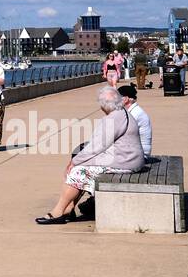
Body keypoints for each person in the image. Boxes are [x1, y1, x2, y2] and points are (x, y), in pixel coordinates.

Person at [35, 85, 144, 225]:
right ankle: (68, 209)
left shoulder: (113, 119)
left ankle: (58, 212)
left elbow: (95, 147)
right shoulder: (121, 113)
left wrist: (74, 161)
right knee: (80, 167)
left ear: (104, 106)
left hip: (125, 162)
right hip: (128, 158)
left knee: (77, 171)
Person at [117, 83, 152, 158]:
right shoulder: (132, 111)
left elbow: (119, 133)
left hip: (140, 155)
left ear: (126, 99)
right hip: (136, 152)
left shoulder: (135, 114)